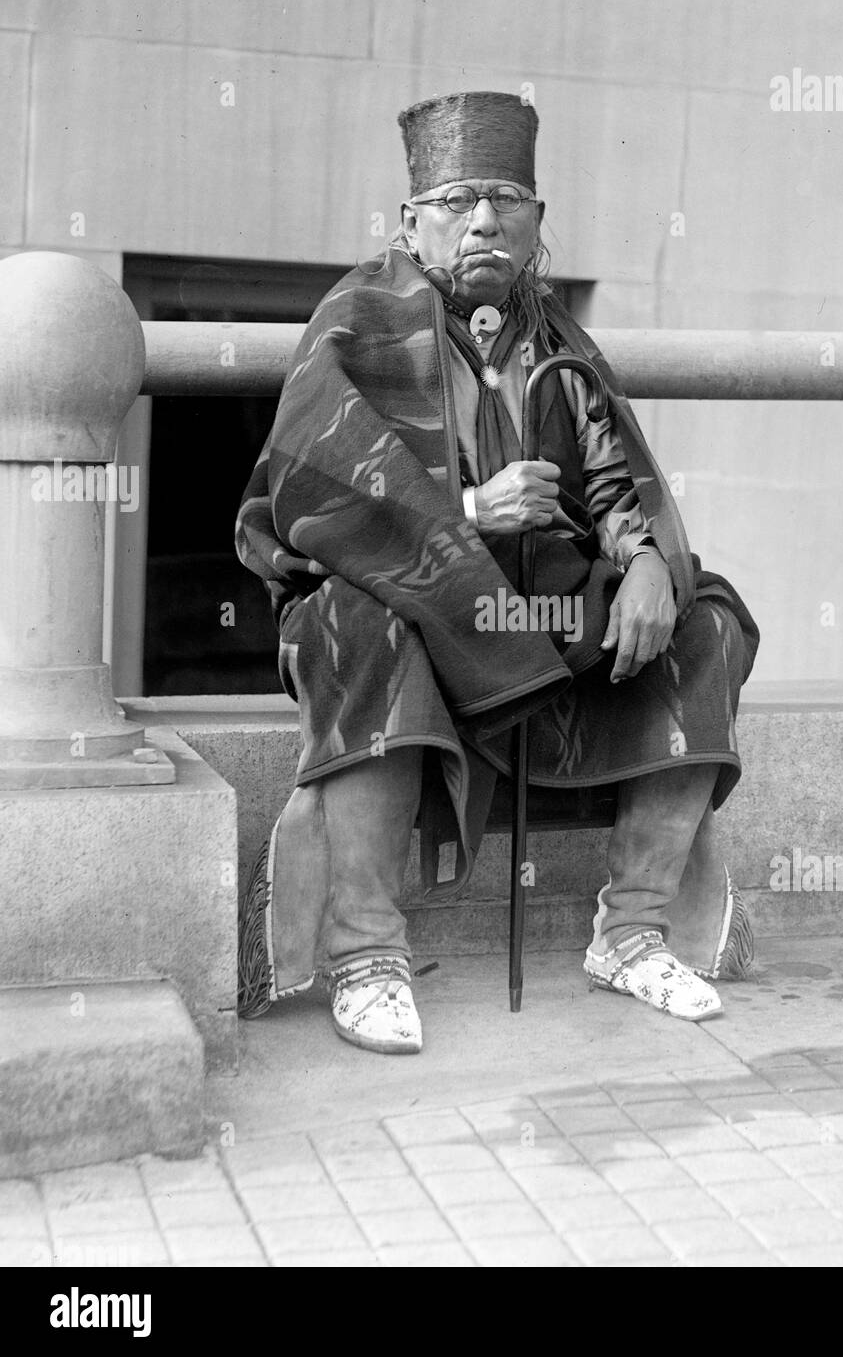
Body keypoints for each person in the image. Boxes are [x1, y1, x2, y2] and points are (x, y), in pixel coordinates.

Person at [235, 91, 760, 1054]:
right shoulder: (357, 319)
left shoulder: (555, 336)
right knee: (363, 622)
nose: (483, 221)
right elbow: (303, 493)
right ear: (411, 221)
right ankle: (366, 956)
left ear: (536, 222)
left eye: (507, 200)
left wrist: (643, 558)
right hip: (411, 606)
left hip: (537, 613)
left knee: (706, 620)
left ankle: (633, 933)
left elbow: (613, 479)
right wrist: (469, 514)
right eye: (458, 199)